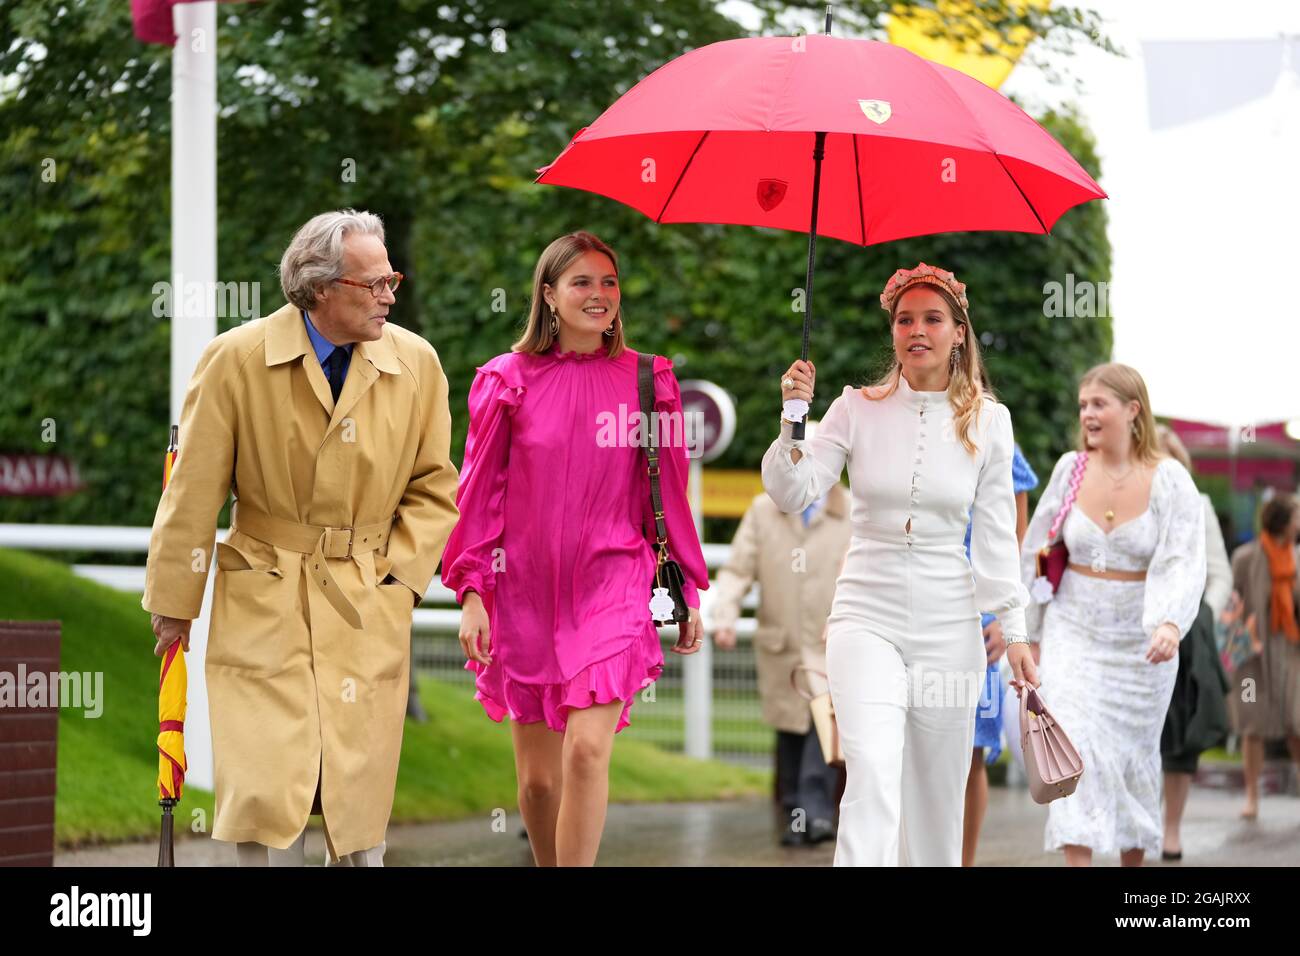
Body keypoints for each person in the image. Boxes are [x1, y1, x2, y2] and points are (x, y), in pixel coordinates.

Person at [143, 209, 460, 866]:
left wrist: (399, 585)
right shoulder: (236, 359)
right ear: (320, 288)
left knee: (355, 796)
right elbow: (194, 491)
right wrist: (174, 602)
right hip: (264, 593)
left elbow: (434, 489)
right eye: (372, 283)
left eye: (391, 279)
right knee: (268, 789)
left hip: (367, 596)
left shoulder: (418, 364)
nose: (389, 295)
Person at [442, 231, 709, 867]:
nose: (599, 295)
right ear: (549, 295)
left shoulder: (651, 379)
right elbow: (479, 497)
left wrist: (689, 588)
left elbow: (668, 495)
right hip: (524, 589)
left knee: (587, 749)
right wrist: (474, 591)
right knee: (536, 783)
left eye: (608, 282)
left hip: (612, 582)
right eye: (582, 282)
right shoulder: (504, 382)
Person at [763, 262, 1035, 866]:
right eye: (905, 319)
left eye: (932, 319)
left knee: (939, 797)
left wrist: (1014, 631)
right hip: (865, 615)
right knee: (873, 772)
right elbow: (793, 490)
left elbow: (994, 535)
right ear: (892, 331)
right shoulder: (856, 407)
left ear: (958, 331)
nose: (918, 330)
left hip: (950, 622)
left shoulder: (991, 421)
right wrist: (793, 416)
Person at [1021, 363, 1205, 867]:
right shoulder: (1070, 470)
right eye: (1083, 406)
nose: (1088, 415)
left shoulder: (1170, 481)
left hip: (1140, 649)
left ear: (1132, 410)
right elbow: (1037, 548)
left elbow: (1184, 559)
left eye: (1098, 404)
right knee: (1074, 751)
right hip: (1072, 633)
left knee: (1131, 764)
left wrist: (1170, 622)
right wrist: (1028, 633)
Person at [711, 420, 852, 847]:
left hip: (829, 644)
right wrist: (725, 615)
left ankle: (816, 814)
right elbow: (737, 570)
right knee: (790, 731)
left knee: (821, 727)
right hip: (781, 644)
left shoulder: (850, 510)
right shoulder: (762, 509)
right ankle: (796, 820)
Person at [1154, 424, 1231, 861]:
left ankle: (1171, 830)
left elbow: (1219, 573)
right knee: (1144, 736)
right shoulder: (1130, 502)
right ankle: (1144, 822)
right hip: (1138, 634)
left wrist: (1204, 615)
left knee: (1180, 737)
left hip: (1187, 637)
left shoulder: (1198, 506)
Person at [961, 442, 1037, 867]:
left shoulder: (999, 440)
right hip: (918, 609)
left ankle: (964, 862)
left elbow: (1016, 548)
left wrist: (1001, 618)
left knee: (971, 754)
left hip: (980, 618)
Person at [1227, 493, 1300, 820]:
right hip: (1252, 657)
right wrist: (1237, 637)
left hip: (1290, 652)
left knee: (1296, 723)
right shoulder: (1246, 558)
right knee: (1252, 725)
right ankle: (1252, 797)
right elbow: (1233, 605)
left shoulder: (1296, 561)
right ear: (1284, 521)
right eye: (1296, 516)